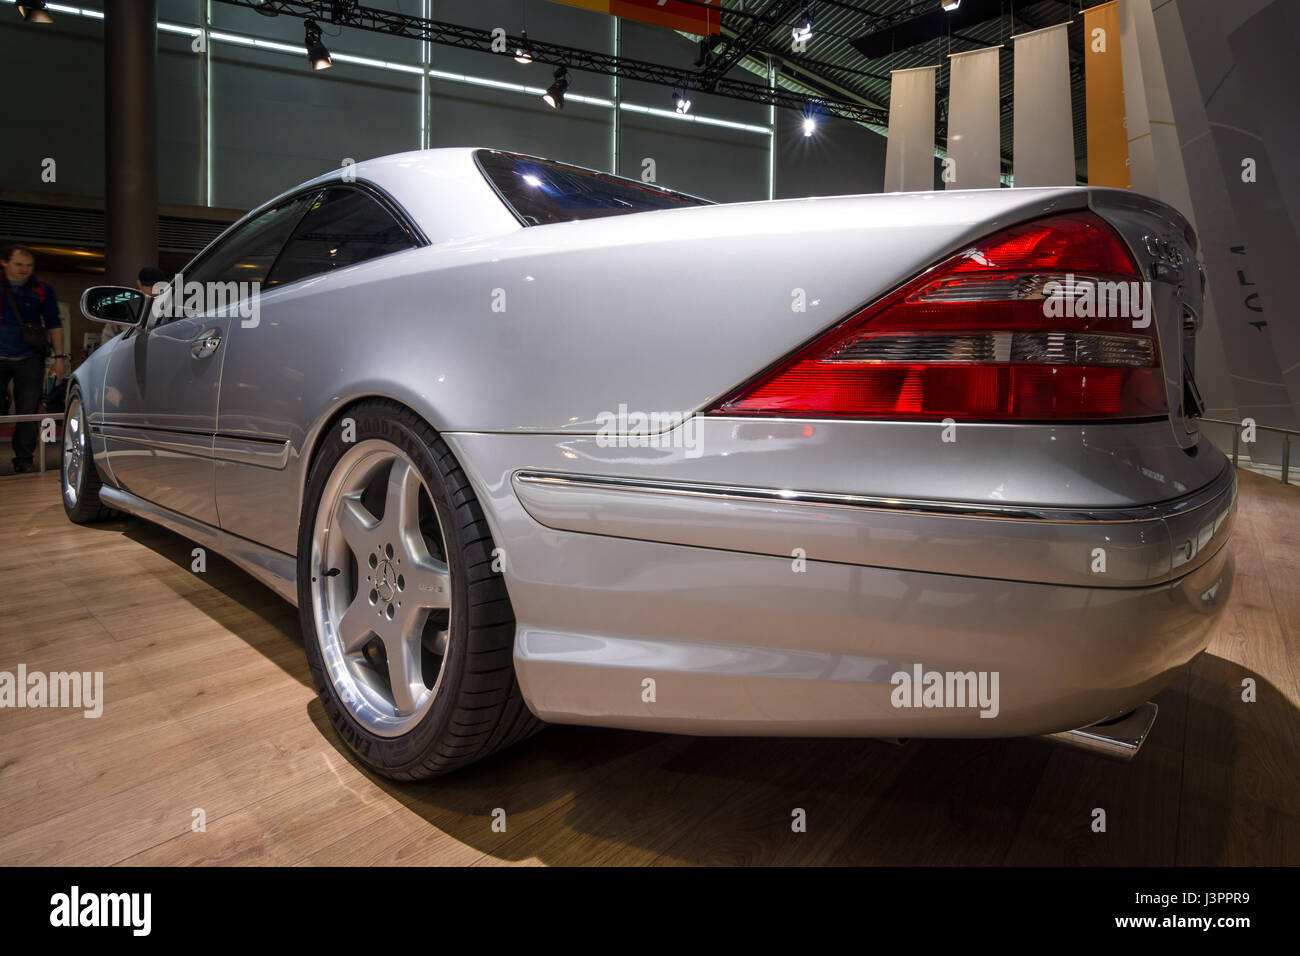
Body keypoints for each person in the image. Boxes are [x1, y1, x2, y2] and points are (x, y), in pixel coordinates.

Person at [0, 243, 64, 474]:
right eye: (18, 264)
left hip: (29, 356)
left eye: (28, 266)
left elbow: (54, 323)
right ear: (4, 262)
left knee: (28, 410)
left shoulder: (41, 289)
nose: (23, 269)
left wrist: (59, 357)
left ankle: (24, 458)